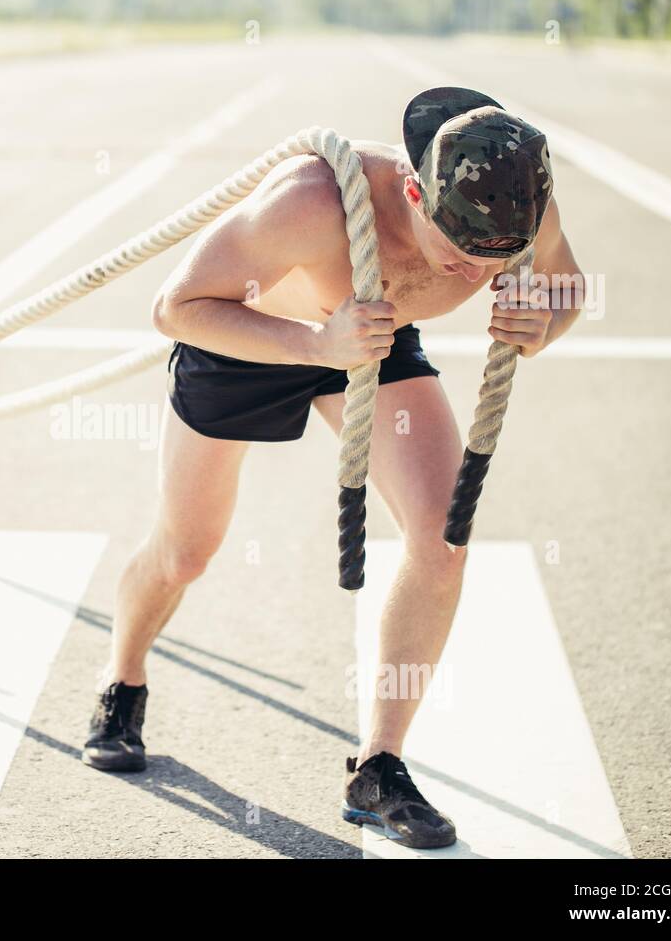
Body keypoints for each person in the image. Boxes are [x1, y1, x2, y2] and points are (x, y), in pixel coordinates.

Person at [81, 86, 585, 849]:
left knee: (440, 542)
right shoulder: (311, 201)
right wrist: (318, 345)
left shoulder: (519, 197)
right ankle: (122, 680)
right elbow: (175, 307)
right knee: (186, 553)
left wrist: (542, 324)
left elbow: (566, 285)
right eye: (457, 259)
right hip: (247, 342)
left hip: (375, 340)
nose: (475, 276)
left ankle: (379, 766)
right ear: (416, 192)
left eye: (492, 266)